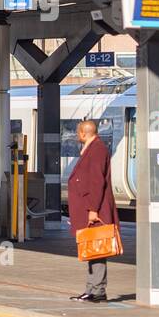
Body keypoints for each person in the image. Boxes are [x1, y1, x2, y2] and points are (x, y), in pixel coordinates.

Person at [67, 119, 118, 302]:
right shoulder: (92, 148)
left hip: (95, 210)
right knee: (92, 248)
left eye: (77, 133)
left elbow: (97, 182)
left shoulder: (97, 150)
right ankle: (92, 288)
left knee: (98, 249)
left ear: (83, 133)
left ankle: (97, 291)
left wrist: (93, 209)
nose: (76, 136)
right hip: (91, 208)